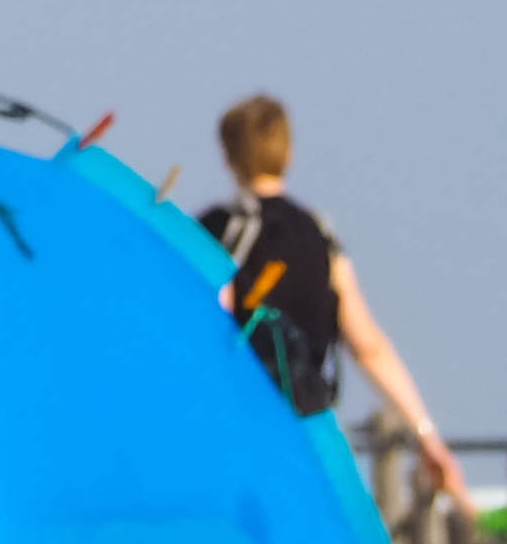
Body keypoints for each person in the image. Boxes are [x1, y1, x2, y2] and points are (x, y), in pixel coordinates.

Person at [202, 94, 472, 514]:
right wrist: (427, 437)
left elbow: (200, 329)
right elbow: (368, 345)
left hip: (231, 450)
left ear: (229, 159)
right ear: (287, 153)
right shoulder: (319, 237)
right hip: (311, 441)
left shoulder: (216, 233)